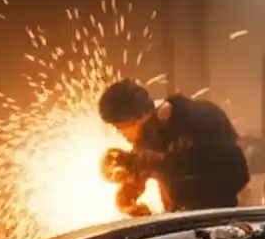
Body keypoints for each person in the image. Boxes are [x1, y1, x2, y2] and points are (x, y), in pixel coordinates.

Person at [98, 79, 250, 215]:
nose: (121, 133)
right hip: (180, 225)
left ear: (135, 118)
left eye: (120, 127)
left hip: (215, 223)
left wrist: (165, 164)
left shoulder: (201, 117)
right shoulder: (149, 140)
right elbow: (135, 183)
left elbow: (237, 172)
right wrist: (125, 202)